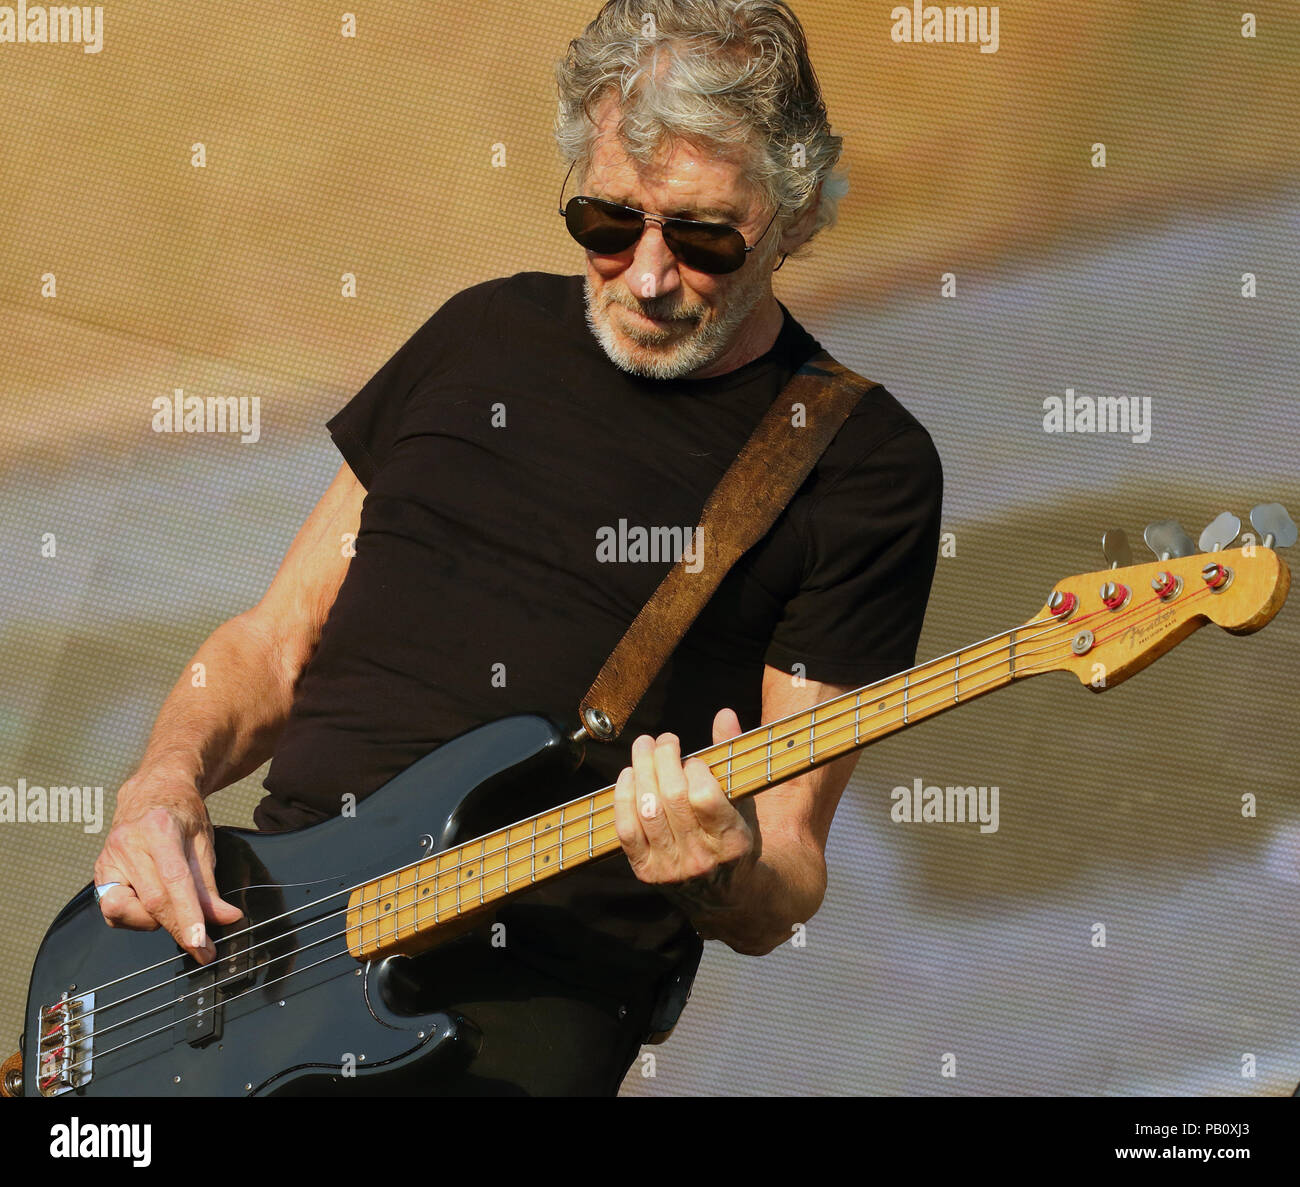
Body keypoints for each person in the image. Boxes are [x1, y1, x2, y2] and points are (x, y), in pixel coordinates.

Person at [91, 0, 943, 1094]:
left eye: (700, 237)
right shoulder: (479, 332)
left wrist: (717, 873)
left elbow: (785, 870)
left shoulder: (854, 461)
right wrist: (162, 782)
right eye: (606, 223)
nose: (644, 276)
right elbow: (268, 646)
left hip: (522, 1013)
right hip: (255, 953)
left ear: (791, 216)